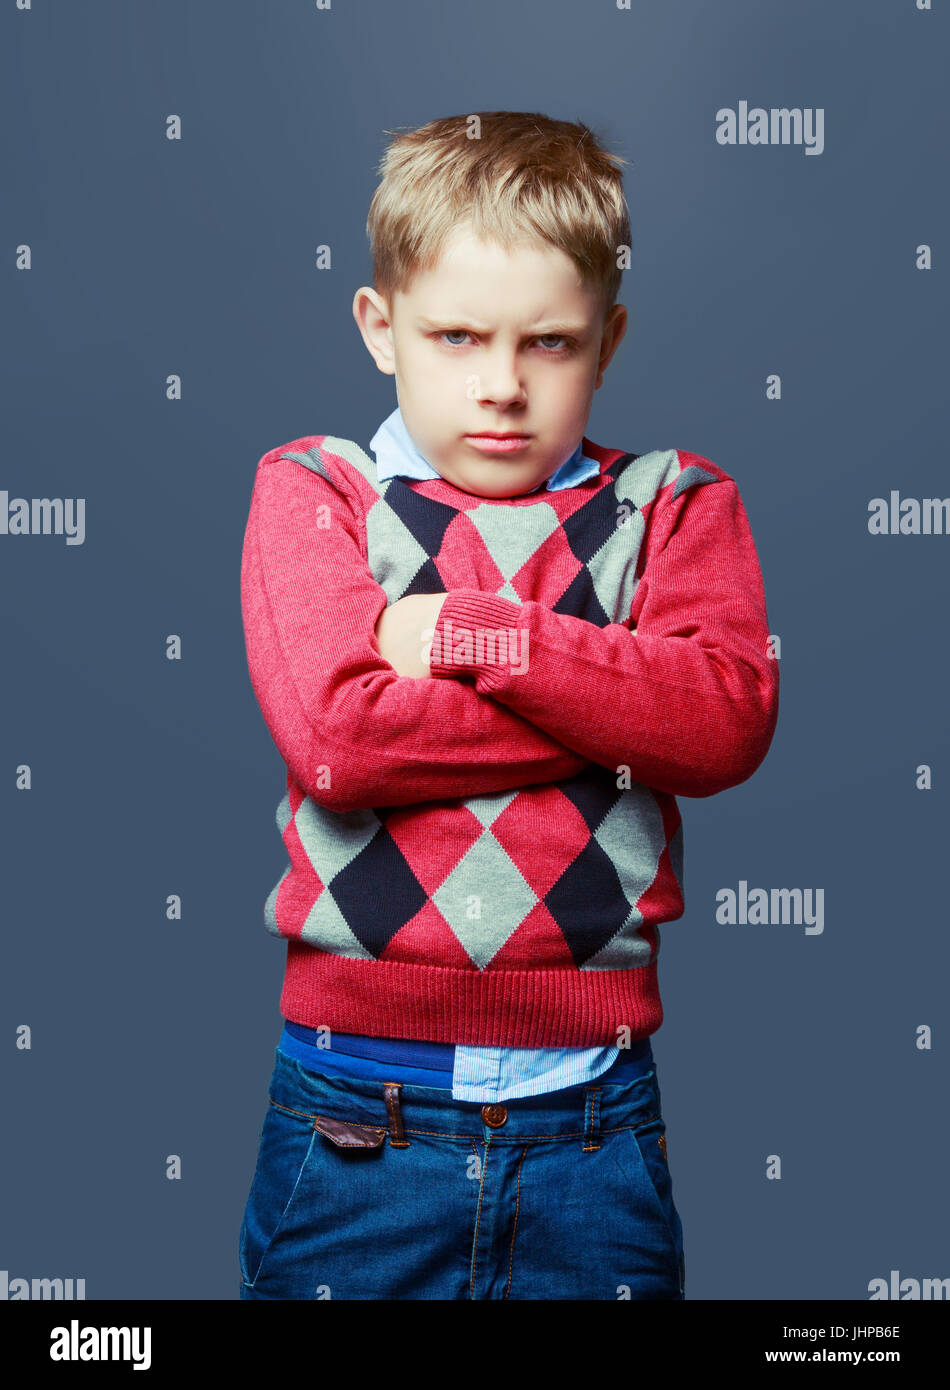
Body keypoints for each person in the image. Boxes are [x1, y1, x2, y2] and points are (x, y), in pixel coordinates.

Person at [237, 110, 779, 1300]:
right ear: (380, 329)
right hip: (355, 1119)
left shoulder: (670, 506)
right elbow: (339, 741)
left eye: (548, 343)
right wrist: (611, 698)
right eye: (455, 336)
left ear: (608, 338)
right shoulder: (317, 491)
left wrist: (476, 634)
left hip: (593, 1120)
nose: (500, 385)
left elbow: (720, 721)